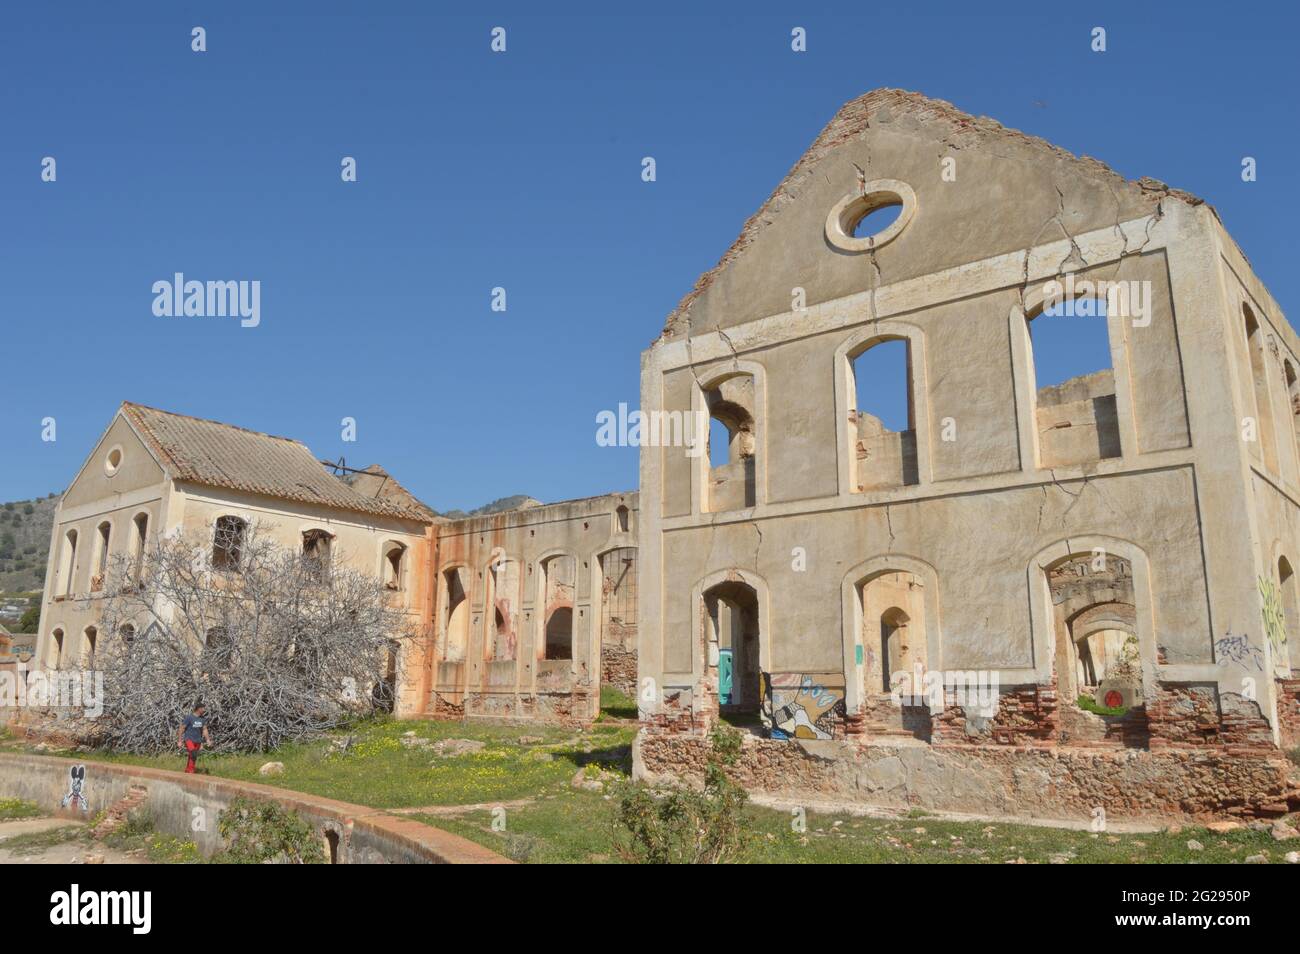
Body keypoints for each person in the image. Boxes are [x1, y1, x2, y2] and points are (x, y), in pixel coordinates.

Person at [177, 703, 212, 774]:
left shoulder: (202, 719)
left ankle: (187, 770)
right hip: (189, 739)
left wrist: (208, 740)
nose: (204, 710)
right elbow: (182, 728)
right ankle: (191, 771)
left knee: (193, 756)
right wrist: (180, 741)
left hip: (198, 740)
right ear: (198, 709)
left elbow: (204, 730)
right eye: (203, 708)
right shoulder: (189, 717)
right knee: (193, 753)